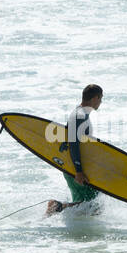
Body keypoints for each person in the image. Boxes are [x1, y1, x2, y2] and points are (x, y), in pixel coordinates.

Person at [47, 84, 104, 214]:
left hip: (74, 166)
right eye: (100, 99)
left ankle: (60, 211)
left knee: (90, 207)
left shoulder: (81, 114)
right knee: (91, 205)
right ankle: (56, 206)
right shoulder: (79, 115)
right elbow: (73, 143)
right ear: (95, 98)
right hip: (75, 168)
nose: (101, 102)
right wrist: (78, 171)